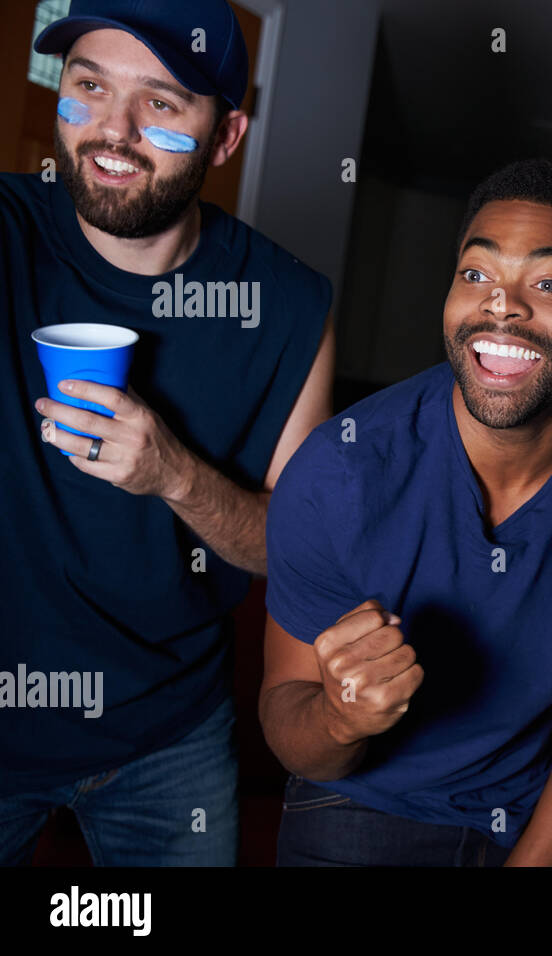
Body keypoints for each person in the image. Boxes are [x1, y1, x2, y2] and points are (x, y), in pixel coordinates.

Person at [259, 158, 552, 867]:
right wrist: (341, 719)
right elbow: (291, 729)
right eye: (477, 275)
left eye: (549, 284)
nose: (502, 306)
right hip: (357, 805)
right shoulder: (338, 471)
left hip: (522, 823)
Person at [0, 0, 334, 866]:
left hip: (166, 738)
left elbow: (292, 549)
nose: (112, 129)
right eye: (89, 86)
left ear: (224, 137)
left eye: (161, 102)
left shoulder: (292, 306)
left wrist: (173, 473)